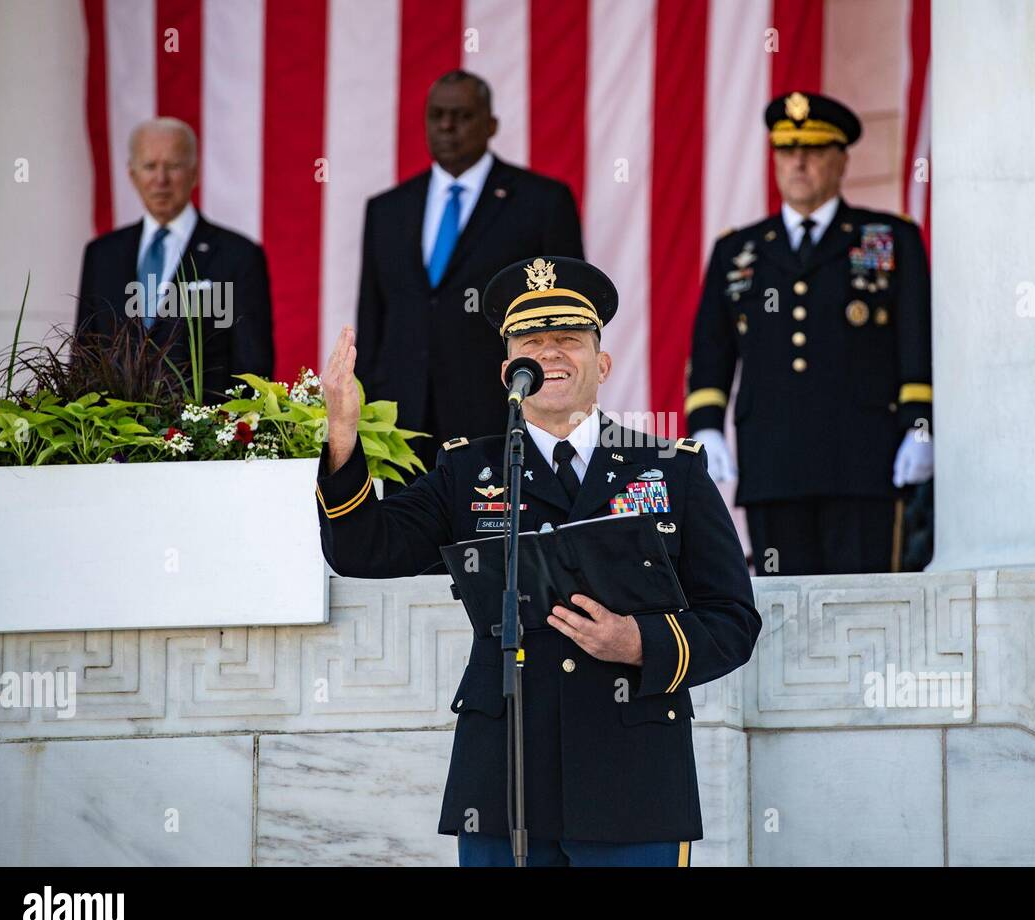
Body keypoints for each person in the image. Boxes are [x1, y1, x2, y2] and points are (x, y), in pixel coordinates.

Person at [316, 256, 761, 867]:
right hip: (503, 777)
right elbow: (360, 551)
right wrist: (342, 434)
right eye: (531, 341)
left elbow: (733, 619)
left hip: (633, 779)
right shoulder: (466, 470)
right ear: (508, 371)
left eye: (568, 340)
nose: (550, 353)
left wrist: (638, 641)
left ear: (601, 364)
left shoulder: (673, 468)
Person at [685, 91, 933, 574]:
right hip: (772, 463)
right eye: (786, 150)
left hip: (865, 459)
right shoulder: (740, 250)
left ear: (842, 160)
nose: (798, 163)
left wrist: (920, 426)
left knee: (867, 608)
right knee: (784, 611)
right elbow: (711, 349)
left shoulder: (885, 238)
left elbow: (916, 340)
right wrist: (707, 428)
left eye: (814, 150)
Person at [354, 70, 583, 471]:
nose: (447, 126)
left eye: (461, 116)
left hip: (499, 414)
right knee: (405, 531)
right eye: (437, 115)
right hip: (400, 425)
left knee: (493, 533)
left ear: (490, 124)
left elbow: (566, 316)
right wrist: (369, 409)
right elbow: (373, 319)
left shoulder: (542, 203)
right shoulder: (387, 210)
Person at [74, 117, 274, 401]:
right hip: (114, 440)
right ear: (132, 175)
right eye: (149, 166)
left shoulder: (237, 256)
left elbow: (254, 371)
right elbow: (84, 360)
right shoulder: (102, 255)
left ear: (194, 173)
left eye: (173, 166)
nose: (161, 179)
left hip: (203, 440)